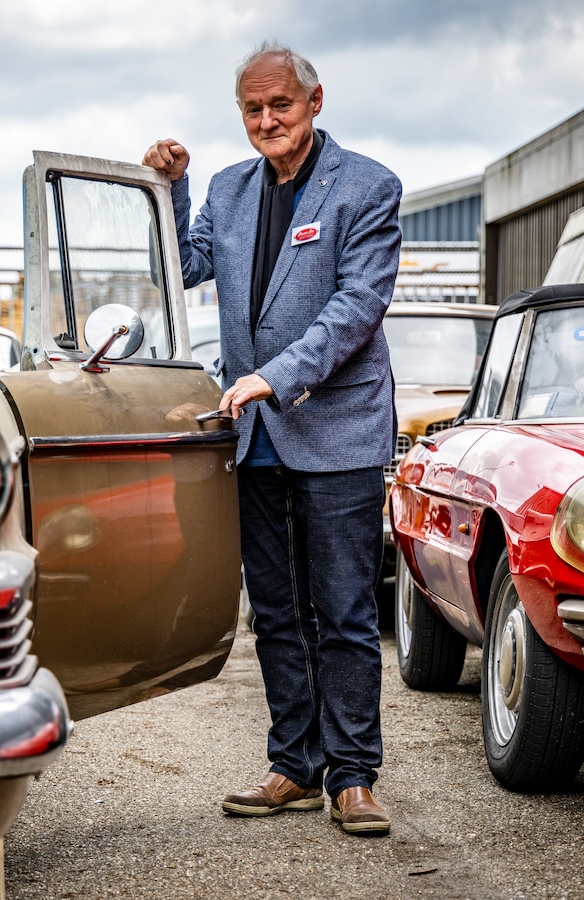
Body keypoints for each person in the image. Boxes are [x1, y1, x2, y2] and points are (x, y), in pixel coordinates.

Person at [143, 40, 400, 835]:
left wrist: (273, 375)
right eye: (251, 109)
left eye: (278, 105)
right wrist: (170, 185)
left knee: (346, 612)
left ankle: (353, 776)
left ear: (313, 102)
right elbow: (181, 266)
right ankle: (293, 765)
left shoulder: (366, 186)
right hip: (253, 437)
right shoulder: (226, 188)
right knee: (278, 614)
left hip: (337, 431)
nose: (265, 121)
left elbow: (357, 306)